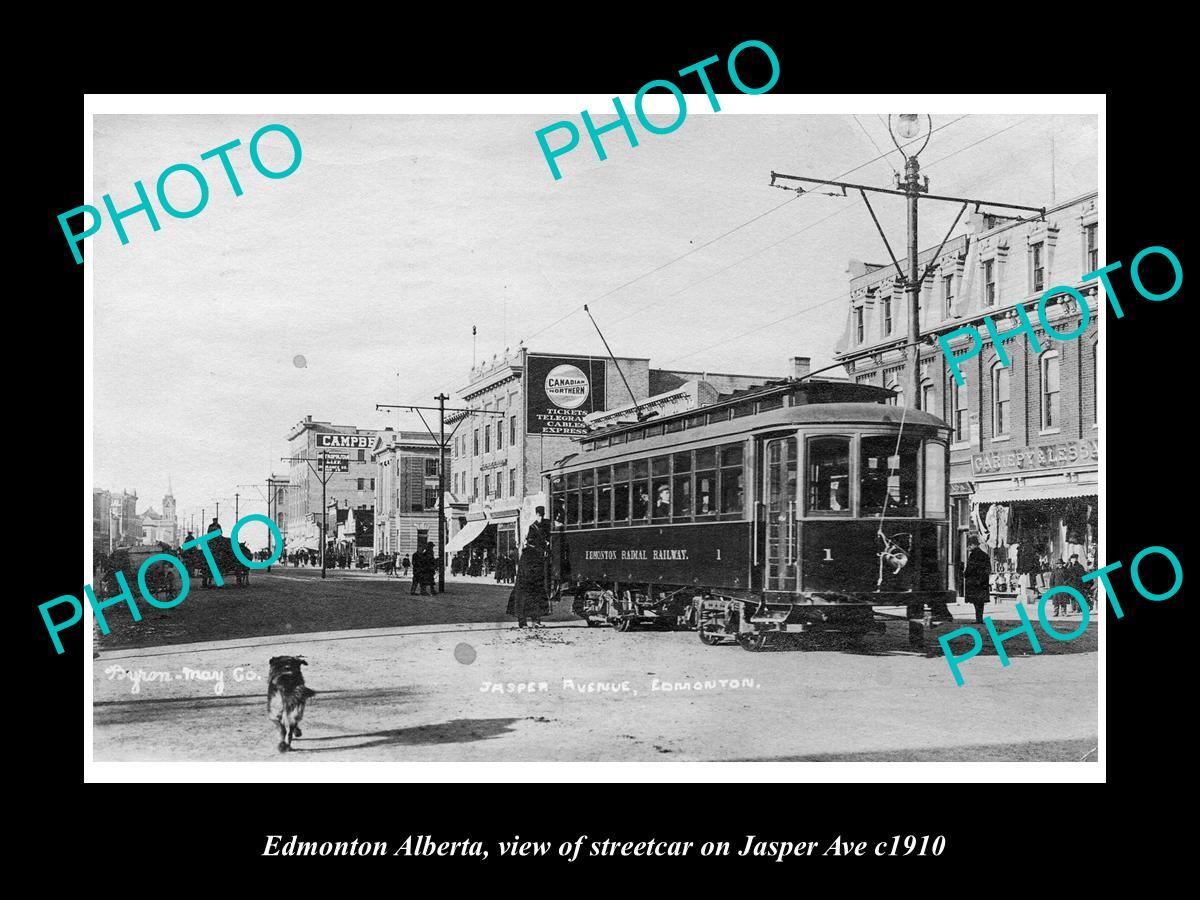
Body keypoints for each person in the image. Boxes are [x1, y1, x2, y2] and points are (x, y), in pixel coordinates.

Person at [508, 507, 551, 628]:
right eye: (539, 515)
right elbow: (531, 543)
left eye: (542, 515)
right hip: (527, 569)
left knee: (537, 592)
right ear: (536, 515)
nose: (541, 517)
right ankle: (522, 621)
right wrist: (543, 548)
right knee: (524, 593)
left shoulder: (545, 525)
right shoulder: (533, 528)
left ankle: (536, 621)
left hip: (536, 568)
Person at [962, 535, 991, 624]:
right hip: (983, 582)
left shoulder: (973, 555)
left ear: (974, 545)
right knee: (980, 601)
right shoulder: (985, 555)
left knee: (976, 601)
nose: (969, 547)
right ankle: (979, 618)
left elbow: (970, 569)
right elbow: (988, 569)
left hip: (974, 581)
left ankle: (978, 619)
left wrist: (965, 574)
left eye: (970, 545)